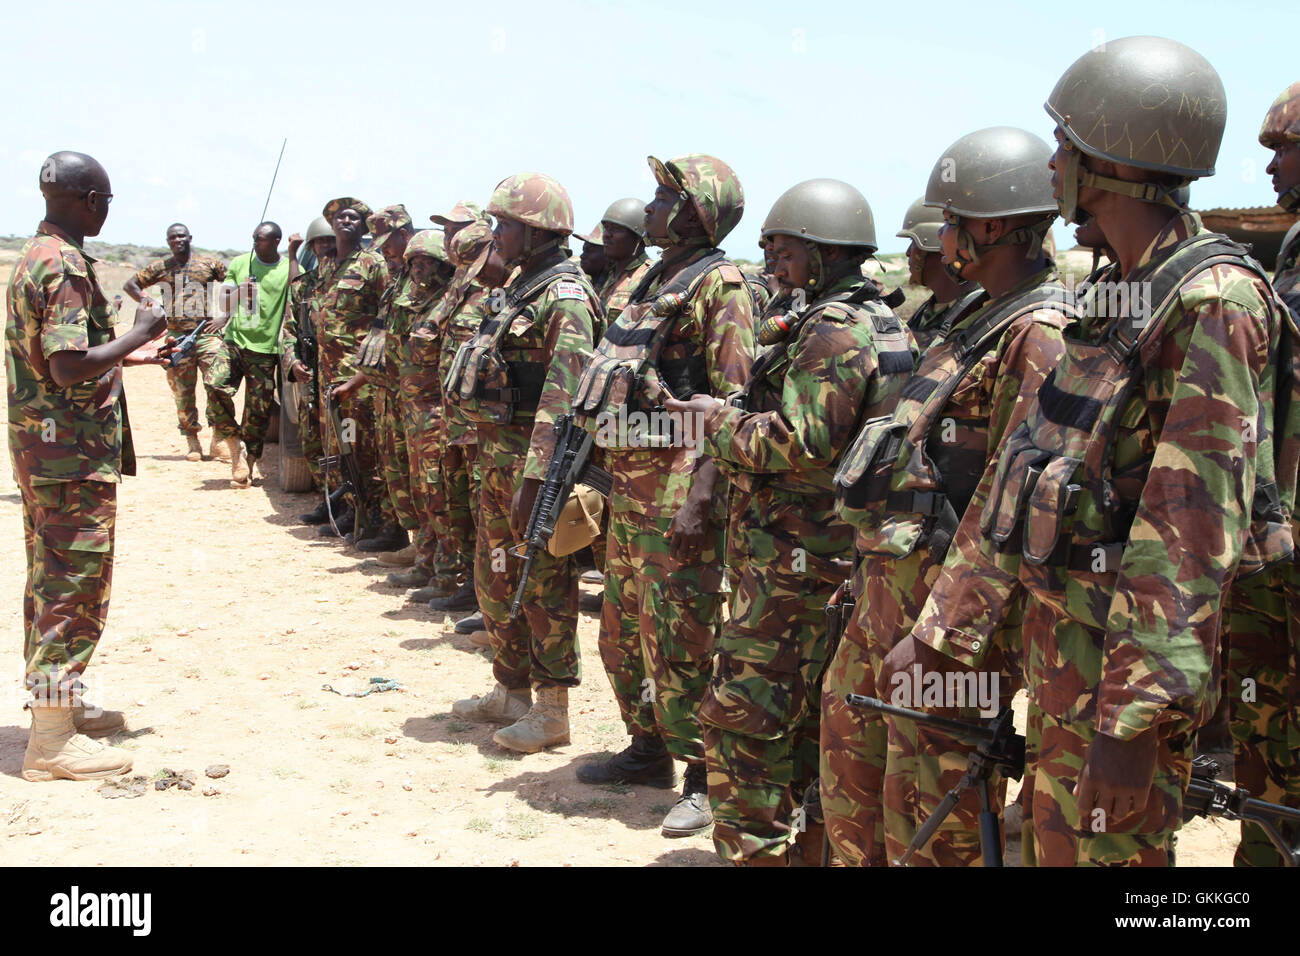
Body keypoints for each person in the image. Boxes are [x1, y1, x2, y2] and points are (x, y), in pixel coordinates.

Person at [889, 36, 1290, 867]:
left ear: (1112, 157)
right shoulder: (1118, 291)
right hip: (1063, 654)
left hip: (1116, 677)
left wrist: (1131, 728)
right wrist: (940, 632)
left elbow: (1188, 533)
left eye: (1066, 145)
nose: (1052, 165)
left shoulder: (1212, 299)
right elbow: (1020, 468)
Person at [825, 127, 1071, 866]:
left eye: (953, 220)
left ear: (992, 226)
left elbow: (1016, 514)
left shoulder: (1041, 333)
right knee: (858, 793)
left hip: (950, 640)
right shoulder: (975, 321)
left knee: (936, 822)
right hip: (892, 604)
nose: (942, 235)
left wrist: (941, 638)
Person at [665, 179, 916, 864]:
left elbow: (802, 444)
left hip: (795, 562)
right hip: (832, 558)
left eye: (783, 249)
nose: (772, 262)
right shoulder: (879, 318)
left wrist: (715, 421)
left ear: (822, 248)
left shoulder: (835, 328)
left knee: (744, 725)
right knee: (805, 725)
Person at [570, 154, 755, 837]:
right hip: (626, 487)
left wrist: (702, 498)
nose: (647, 209)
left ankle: (705, 775)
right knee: (621, 633)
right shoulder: (650, 278)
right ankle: (647, 750)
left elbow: (733, 405)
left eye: (661, 198)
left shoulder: (722, 287)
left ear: (696, 212)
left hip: (679, 489)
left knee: (684, 635)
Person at [7, 151, 169, 780]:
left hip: (46, 450)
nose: (105, 210)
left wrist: (137, 358)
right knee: (71, 585)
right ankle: (49, 743)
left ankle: (60, 705)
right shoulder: (66, 265)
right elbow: (67, 365)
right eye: (105, 199)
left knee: (52, 577)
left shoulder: (36, 255)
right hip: (68, 457)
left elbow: (62, 361)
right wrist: (140, 331)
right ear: (87, 199)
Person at [444, 173, 601, 754]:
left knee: (543, 588)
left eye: (504, 223)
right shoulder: (520, 288)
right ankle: (510, 690)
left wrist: (538, 480)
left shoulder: (566, 299)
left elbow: (563, 401)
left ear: (535, 232)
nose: (495, 233)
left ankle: (553, 710)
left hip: (534, 471)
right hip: (497, 460)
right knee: (495, 575)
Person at [1223, 80, 1300, 867]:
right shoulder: (1290, 255)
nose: (1272, 165)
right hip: (1274, 543)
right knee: (1264, 711)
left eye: (1285, 146)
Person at [382, 226, 465, 589]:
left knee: (440, 495)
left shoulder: (451, 306)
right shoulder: (412, 305)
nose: (417, 269)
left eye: (425, 262)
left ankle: (448, 573)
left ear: (444, 266)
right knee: (422, 493)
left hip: (438, 417)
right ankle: (426, 561)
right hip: (412, 414)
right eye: (412, 262)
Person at [310, 197, 387, 539]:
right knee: (339, 448)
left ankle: (372, 519)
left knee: (361, 449)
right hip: (327, 375)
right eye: (340, 217)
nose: (346, 221)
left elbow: (386, 321)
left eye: (354, 217)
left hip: (356, 378)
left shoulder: (373, 263)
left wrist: (363, 374)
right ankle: (348, 512)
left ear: (363, 225)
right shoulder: (326, 266)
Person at [124, 222, 231, 462]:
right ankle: (192, 440)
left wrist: (225, 315)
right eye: (173, 237)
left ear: (190, 237)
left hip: (206, 333)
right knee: (182, 392)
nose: (178, 240)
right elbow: (131, 285)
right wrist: (151, 304)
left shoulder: (208, 264)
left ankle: (219, 439)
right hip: (176, 339)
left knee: (217, 384)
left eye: (181, 236)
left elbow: (233, 282)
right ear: (168, 241)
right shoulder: (160, 267)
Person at [349, 205, 417, 553]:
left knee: (416, 472)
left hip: (413, 394)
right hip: (386, 390)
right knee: (390, 463)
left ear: (406, 234)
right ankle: (396, 531)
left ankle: (423, 547)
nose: (385, 251)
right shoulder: (396, 280)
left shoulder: (424, 276)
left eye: (388, 242)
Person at [216, 221, 293, 488]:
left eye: (260, 239)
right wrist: (240, 290)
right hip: (235, 340)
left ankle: (247, 463)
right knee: (214, 385)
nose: (255, 243)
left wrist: (294, 257)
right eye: (253, 238)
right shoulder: (240, 263)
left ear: (276, 242)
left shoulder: (287, 269)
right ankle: (233, 441)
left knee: (257, 410)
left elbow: (299, 290)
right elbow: (224, 301)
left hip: (265, 349)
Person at [284, 217, 336, 515]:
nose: (325, 247)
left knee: (343, 443)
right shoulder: (303, 287)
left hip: (339, 378)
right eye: (320, 242)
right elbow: (288, 331)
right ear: (313, 246)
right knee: (313, 440)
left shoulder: (350, 280)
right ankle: (327, 498)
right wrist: (293, 363)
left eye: (330, 241)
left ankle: (348, 504)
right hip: (309, 374)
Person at [895, 198, 983, 351]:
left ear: (930, 245)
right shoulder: (926, 312)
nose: (908, 252)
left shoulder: (975, 314)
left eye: (913, 241)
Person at [591, 198, 652, 323]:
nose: (607, 235)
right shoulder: (609, 276)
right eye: (606, 228)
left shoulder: (649, 276)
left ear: (637, 237)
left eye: (616, 229)